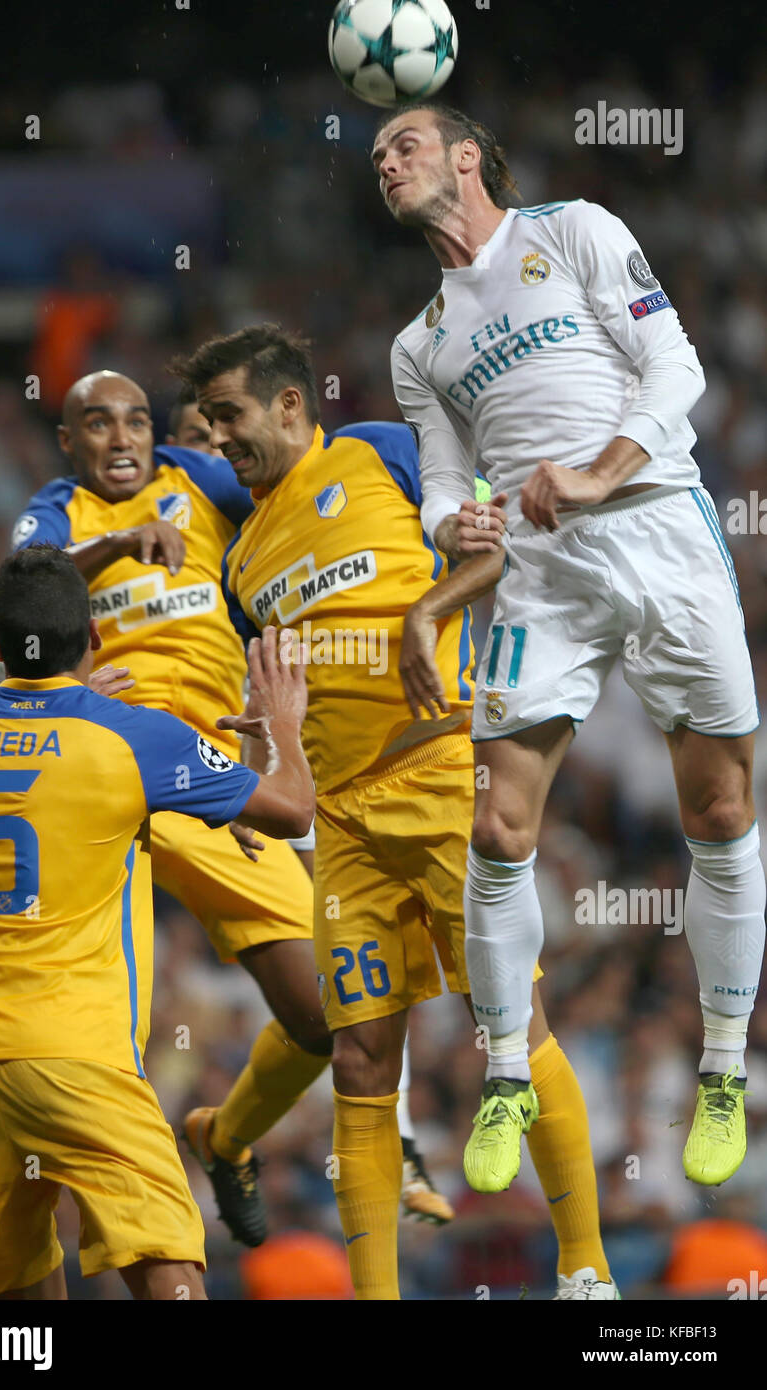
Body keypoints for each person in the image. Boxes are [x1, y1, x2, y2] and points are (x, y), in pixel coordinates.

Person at [172, 322, 618, 1300]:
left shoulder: (386, 452)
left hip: (436, 775)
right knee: (363, 1052)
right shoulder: (240, 564)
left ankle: (584, 1267)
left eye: (231, 416)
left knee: (511, 1018)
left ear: (292, 403)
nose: (222, 438)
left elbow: (491, 544)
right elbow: (278, 690)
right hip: (342, 826)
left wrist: (435, 608)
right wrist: (255, 758)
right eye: (210, 423)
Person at [372, 101, 764, 1193]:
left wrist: (593, 470)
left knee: (722, 811)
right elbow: (444, 479)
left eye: (401, 145)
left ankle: (721, 1066)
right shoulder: (418, 344)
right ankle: (505, 1070)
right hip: (536, 577)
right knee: (496, 826)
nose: (386, 164)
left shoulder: (574, 230)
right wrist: (452, 524)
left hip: (656, 530)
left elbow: (673, 367)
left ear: (463, 155)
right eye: (374, 156)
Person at [11, 370, 452, 1243]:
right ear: (70, 442)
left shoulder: (197, 479)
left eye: (137, 420)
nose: (122, 437)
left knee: (323, 1017)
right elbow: (24, 582)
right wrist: (119, 545)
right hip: (106, 757)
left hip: (208, 775)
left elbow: (283, 491)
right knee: (67, 966)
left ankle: (226, 1134)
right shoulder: (59, 510)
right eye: (98, 423)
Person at [0, 545, 313, 1300]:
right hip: (75, 1055)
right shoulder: (132, 736)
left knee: (11, 1305)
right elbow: (290, 812)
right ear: (93, 638)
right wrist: (282, 722)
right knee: (168, 1264)